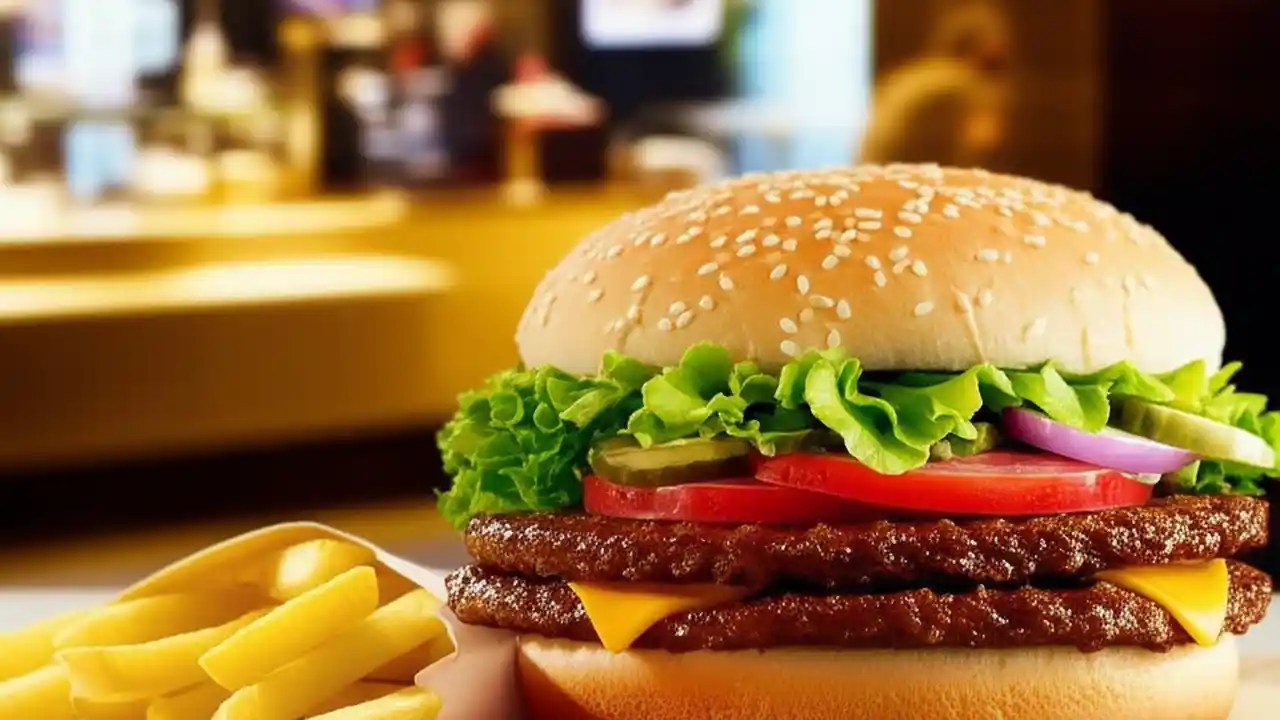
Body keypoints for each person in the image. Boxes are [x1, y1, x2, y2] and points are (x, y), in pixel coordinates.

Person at [858, 0, 1013, 168]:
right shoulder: (960, 85)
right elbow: (986, 138)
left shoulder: (911, 75)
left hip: (873, 178)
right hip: (910, 183)